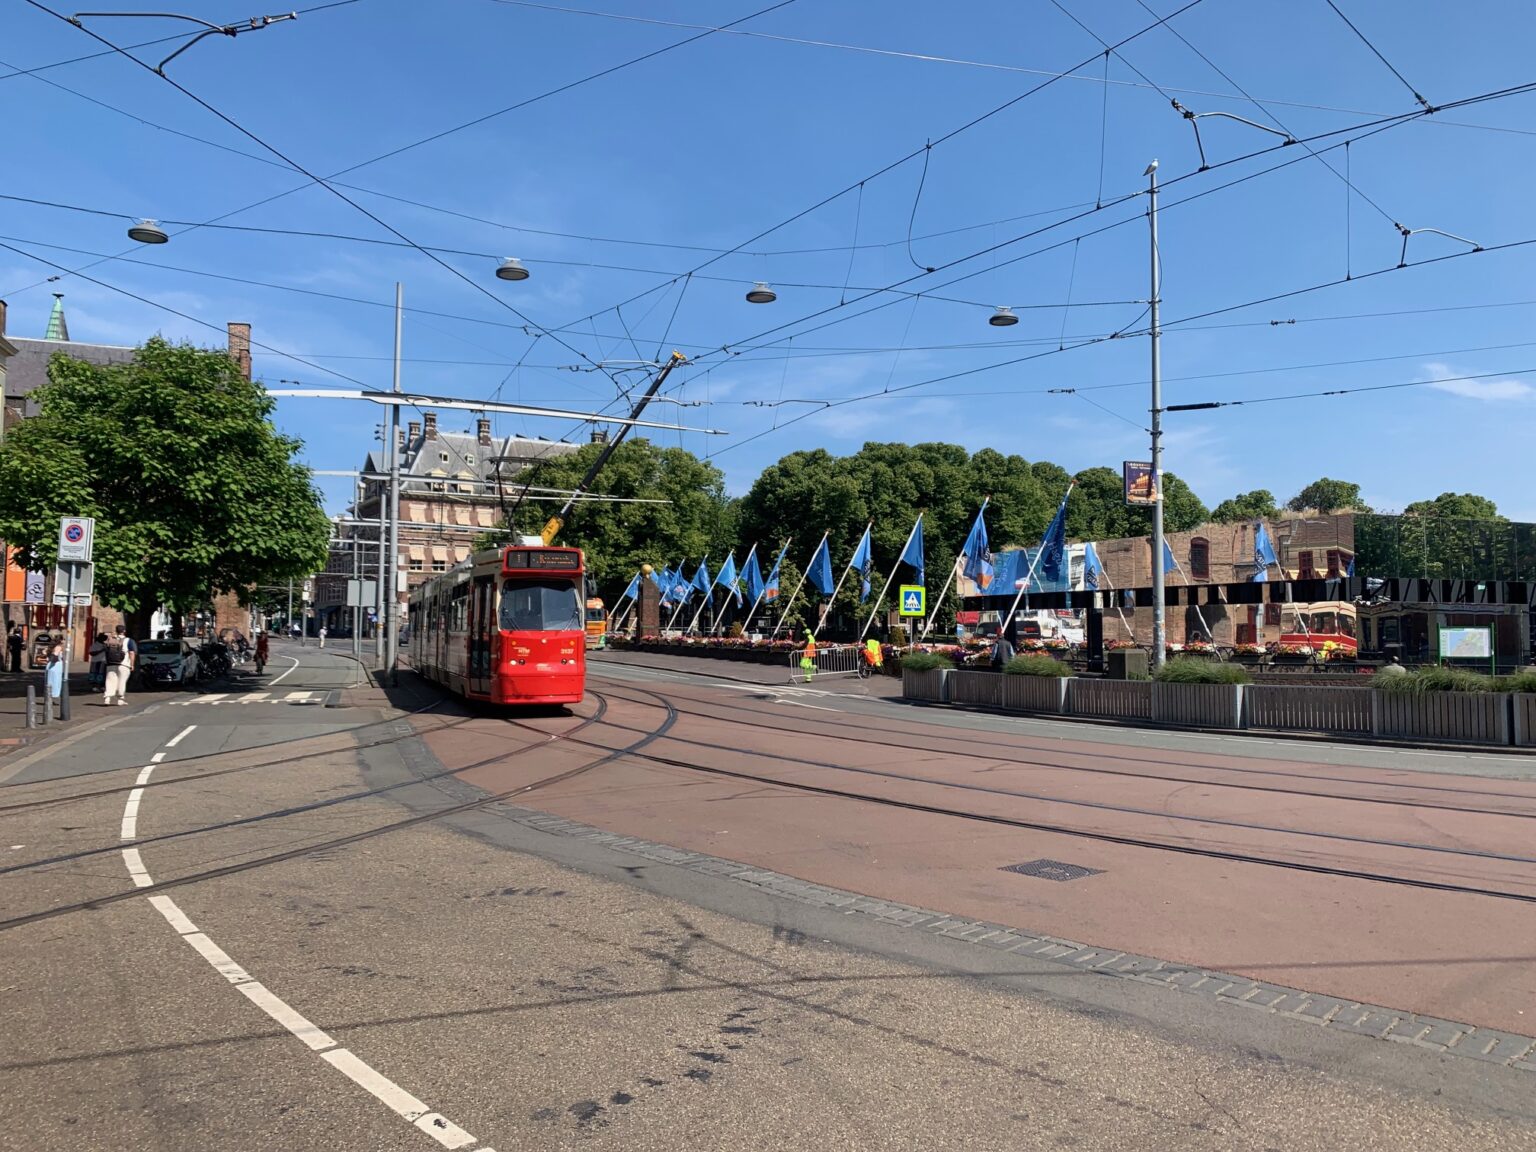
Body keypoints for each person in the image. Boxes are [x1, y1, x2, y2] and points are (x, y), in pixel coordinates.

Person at [102, 624, 136, 706]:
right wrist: (132, 664)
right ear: (124, 631)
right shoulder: (129, 640)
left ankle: (107, 698)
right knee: (122, 681)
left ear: (116, 631)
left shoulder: (111, 639)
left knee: (110, 681)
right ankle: (120, 699)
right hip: (124, 664)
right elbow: (131, 653)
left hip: (111, 663)